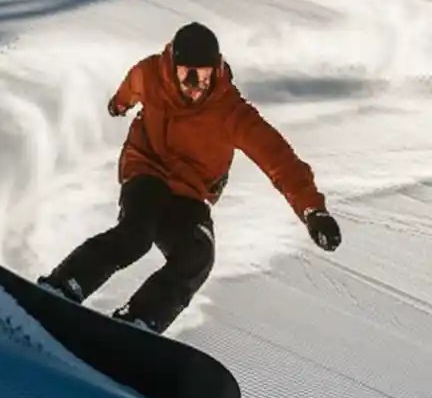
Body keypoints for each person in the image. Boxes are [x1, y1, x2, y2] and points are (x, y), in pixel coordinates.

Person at [37, 22, 342, 333]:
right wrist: (119, 103)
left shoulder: (230, 112)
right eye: (188, 75)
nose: (196, 86)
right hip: (146, 167)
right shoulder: (151, 74)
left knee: (198, 254)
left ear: (217, 69)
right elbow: (132, 86)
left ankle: (139, 320)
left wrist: (312, 211)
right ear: (172, 66)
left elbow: (279, 160)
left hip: (191, 193)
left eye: (205, 76)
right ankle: (63, 285)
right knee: (136, 234)